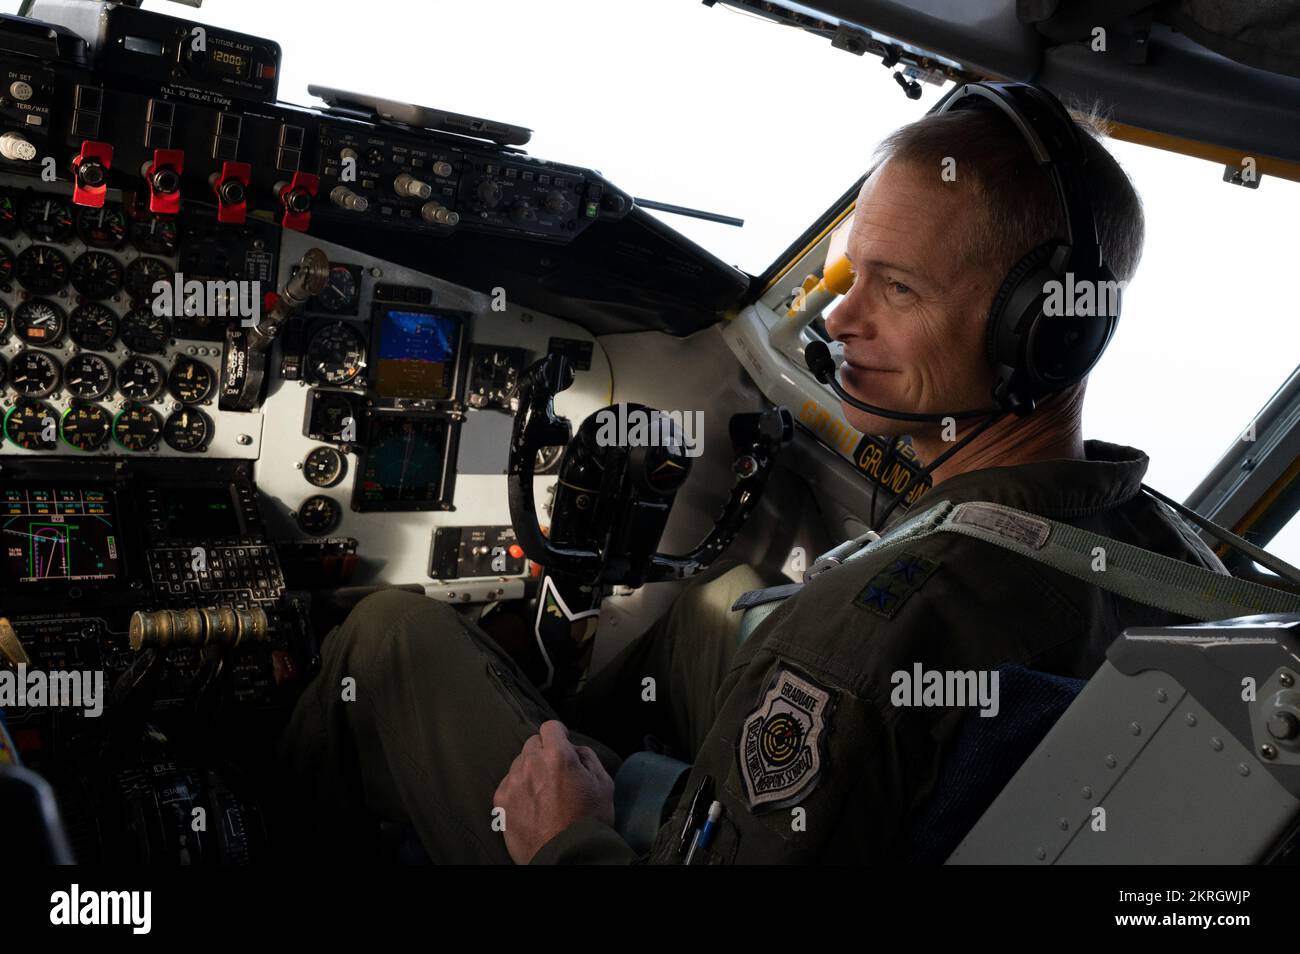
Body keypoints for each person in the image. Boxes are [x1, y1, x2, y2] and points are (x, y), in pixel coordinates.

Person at [279, 84, 1226, 864]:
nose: (839, 319)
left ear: (1046, 336)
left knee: (387, 635)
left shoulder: (865, 637)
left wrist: (569, 841)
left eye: (897, 289)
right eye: (851, 275)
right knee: (713, 597)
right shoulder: (1174, 563)